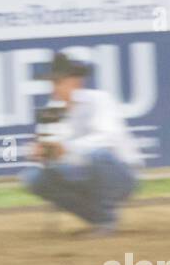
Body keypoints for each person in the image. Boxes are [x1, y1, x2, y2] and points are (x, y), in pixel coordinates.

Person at [22, 52, 142, 232]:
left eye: (58, 82)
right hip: (82, 175)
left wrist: (65, 148)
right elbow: (51, 150)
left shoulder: (100, 100)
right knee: (34, 177)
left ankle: (106, 219)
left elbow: (108, 137)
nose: (54, 88)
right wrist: (41, 152)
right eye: (53, 83)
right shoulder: (52, 110)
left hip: (121, 175)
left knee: (99, 155)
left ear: (75, 82)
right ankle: (99, 219)